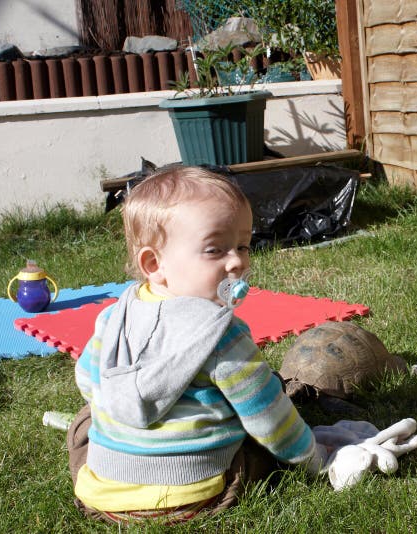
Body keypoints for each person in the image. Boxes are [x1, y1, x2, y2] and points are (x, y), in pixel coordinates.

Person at [68, 166, 321, 523]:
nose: (237, 261)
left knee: (84, 422)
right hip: (195, 496)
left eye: (243, 245)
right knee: (258, 431)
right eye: (215, 249)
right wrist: (314, 456)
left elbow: (86, 380)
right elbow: (268, 418)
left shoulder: (114, 317)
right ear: (154, 263)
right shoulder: (222, 334)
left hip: (103, 498)